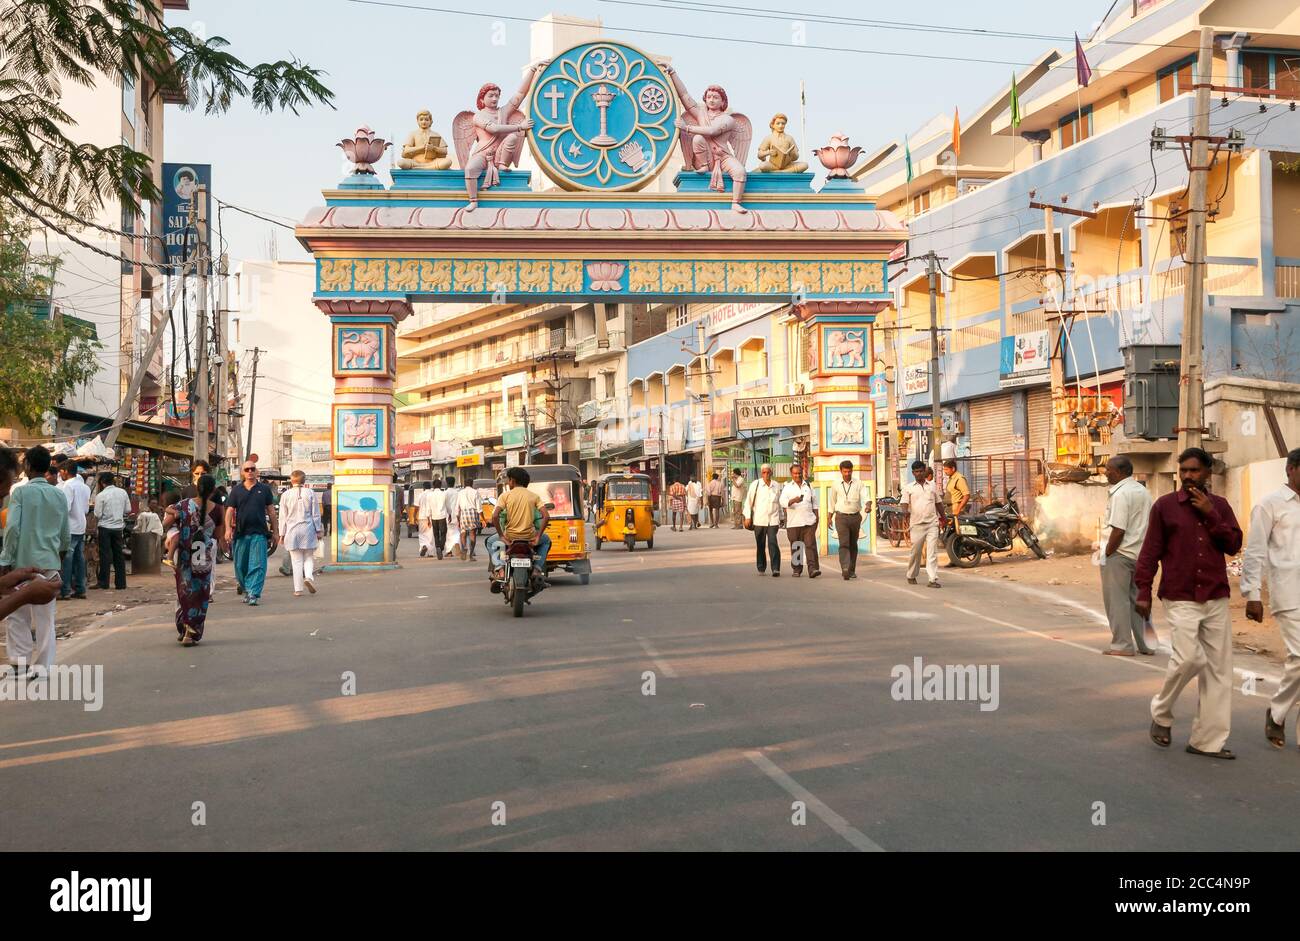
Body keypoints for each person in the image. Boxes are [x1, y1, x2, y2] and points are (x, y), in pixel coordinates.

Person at [1138, 447, 1243, 759]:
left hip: (1215, 596)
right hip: (1179, 594)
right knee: (1189, 659)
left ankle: (1206, 741)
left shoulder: (1221, 507)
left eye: (1194, 471)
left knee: (1219, 671)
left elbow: (1234, 545)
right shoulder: (1165, 507)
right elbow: (1150, 550)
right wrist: (1143, 590)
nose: (1187, 477)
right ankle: (1161, 711)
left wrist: (1210, 513)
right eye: (1183, 471)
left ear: (1208, 473)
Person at [1244, 448, 1300, 749]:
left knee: (1297, 660)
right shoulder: (1270, 504)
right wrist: (1252, 594)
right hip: (1289, 592)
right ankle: (1277, 714)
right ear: (1291, 469)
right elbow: (1255, 550)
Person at [1, 446, 69, 675]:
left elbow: (12, 529)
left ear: (28, 466)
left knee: (17, 614)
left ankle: (19, 662)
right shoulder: (59, 494)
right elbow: (64, 531)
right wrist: (61, 553)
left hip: (22, 562)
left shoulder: (19, 492)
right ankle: (43, 667)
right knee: (46, 618)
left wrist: (6, 558)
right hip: (50, 561)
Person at [1099, 456, 1155, 657]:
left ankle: (1122, 645)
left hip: (1119, 554)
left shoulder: (1120, 494)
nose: (1105, 472)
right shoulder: (1143, 491)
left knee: (1117, 601)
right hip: (1140, 554)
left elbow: (1118, 530)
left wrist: (1106, 553)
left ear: (1119, 472)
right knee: (1138, 600)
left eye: (1108, 469)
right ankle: (1147, 644)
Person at [164, 473, 224, 646]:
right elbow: (218, 535)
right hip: (203, 558)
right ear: (213, 490)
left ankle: (185, 627)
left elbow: (167, 516)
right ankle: (192, 629)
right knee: (201, 594)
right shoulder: (218, 509)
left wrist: (175, 513)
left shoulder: (183, 505)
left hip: (185, 556)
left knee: (185, 591)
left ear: (197, 488)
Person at [225, 458, 278, 606]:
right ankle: (246, 587)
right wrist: (228, 529)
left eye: (252, 469)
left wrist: (275, 531)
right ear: (242, 472)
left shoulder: (264, 489)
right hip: (241, 533)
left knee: (258, 564)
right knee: (240, 566)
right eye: (247, 469)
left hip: (259, 533)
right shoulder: (236, 490)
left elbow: (271, 512)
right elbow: (229, 511)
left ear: (256, 472)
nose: (250, 472)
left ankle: (253, 593)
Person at [487, 466, 551, 582]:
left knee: (491, 541)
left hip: (510, 537)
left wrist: (502, 536)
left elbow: (495, 516)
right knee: (546, 540)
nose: (508, 482)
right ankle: (537, 569)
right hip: (529, 537)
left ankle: (500, 570)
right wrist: (537, 537)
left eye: (509, 480)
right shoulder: (534, 496)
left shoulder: (505, 496)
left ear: (513, 480)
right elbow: (546, 516)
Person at [278, 471, 323, 597]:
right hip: (307, 529)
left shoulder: (285, 495)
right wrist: (318, 529)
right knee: (308, 557)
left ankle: (298, 589)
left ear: (291, 481)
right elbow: (315, 514)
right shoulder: (310, 493)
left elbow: (282, 517)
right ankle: (308, 577)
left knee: (296, 560)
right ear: (304, 481)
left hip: (292, 531)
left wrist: (281, 534)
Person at [901, 459, 943, 588]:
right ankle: (911, 574)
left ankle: (933, 579)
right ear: (913, 473)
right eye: (916, 471)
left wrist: (944, 517)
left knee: (932, 552)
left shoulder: (932, 486)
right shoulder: (908, 488)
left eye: (921, 471)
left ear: (925, 471)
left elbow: (938, 503)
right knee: (916, 552)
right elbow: (904, 503)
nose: (919, 473)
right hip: (917, 524)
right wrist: (905, 512)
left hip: (932, 523)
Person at [828, 459, 869, 580]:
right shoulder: (836, 484)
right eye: (845, 471)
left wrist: (868, 505)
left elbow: (866, 496)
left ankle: (852, 570)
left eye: (849, 471)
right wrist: (829, 517)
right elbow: (832, 502)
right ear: (841, 471)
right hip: (841, 517)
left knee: (853, 544)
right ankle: (845, 568)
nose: (847, 474)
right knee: (844, 543)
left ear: (852, 471)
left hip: (855, 517)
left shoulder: (859, 483)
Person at [57, 460, 90, 599]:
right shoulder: (84, 487)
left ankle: (65, 590)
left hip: (70, 527)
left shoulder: (68, 486)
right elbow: (86, 509)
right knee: (79, 558)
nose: (60, 475)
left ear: (65, 471)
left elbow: (66, 508)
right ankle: (81, 589)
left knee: (67, 560)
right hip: (81, 525)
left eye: (60, 472)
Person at [781, 463, 820, 578]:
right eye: (795, 473)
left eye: (799, 473)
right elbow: (782, 501)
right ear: (791, 474)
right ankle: (797, 569)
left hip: (809, 521)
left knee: (810, 545)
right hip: (794, 523)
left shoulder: (808, 485)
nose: (797, 475)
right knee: (796, 545)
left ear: (802, 472)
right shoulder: (787, 487)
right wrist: (793, 500)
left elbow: (815, 503)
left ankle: (812, 569)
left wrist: (816, 518)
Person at [743, 463, 783, 577]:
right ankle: (761, 566)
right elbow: (748, 502)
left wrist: (782, 517)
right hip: (759, 520)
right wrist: (747, 517)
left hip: (773, 520)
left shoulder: (776, 485)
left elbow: (779, 503)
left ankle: (776, 568)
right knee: (760, 544)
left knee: (772, 543)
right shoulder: (755, 485)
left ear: (771, 473)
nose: (766, 474)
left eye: (768, 472)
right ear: (762, 473)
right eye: (764, 472)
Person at [92, 471, 129, 590]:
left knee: (105, 555)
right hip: (118, 528)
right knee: (119, 554)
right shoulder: (122, 492)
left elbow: (97, 513)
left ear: (102, 483)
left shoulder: (101, 495)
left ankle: (104, 582)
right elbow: (127, 509)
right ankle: (121, 583)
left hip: (105, 528)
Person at [458, 481, 482, 561]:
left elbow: (457, 507)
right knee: (472, 534)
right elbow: (479, 507)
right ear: (472, 484)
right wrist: (484, 519)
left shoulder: (460, 493)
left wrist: (458, 518)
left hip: (463, 513)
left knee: (463, 532)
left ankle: (464, 547)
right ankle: (471, 555)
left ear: (464, 484)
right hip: (473, 513)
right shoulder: (475, 492)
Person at [415, 482, 437, 558]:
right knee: (430, 535)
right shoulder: (433, 494)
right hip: (431, 517)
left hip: (421, 516)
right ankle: (430, 552)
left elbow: (417, 507)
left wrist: (415, 516)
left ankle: (424, 545)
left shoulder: (420, 495)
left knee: (422, 534)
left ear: (423, 488)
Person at [429, 477, 449, 559]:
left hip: (434, 517)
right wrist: (450, 513)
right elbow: (447, 505)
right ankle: (441, 547)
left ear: (433, 486)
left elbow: (429, 507)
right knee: (443, 533)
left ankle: (437, 547)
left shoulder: (430, 495)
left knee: (436, 534)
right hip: (442, 516)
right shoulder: (444, 494)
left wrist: (428, 517)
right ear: (440, 486)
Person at [445, 477, 463, 559]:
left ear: (446, 483)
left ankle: (448, 551)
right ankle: (456, 543)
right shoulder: (458, 493)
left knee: (448, 534)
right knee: (456, 531)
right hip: (457, 515)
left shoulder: (445, 493)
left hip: (447, 515)